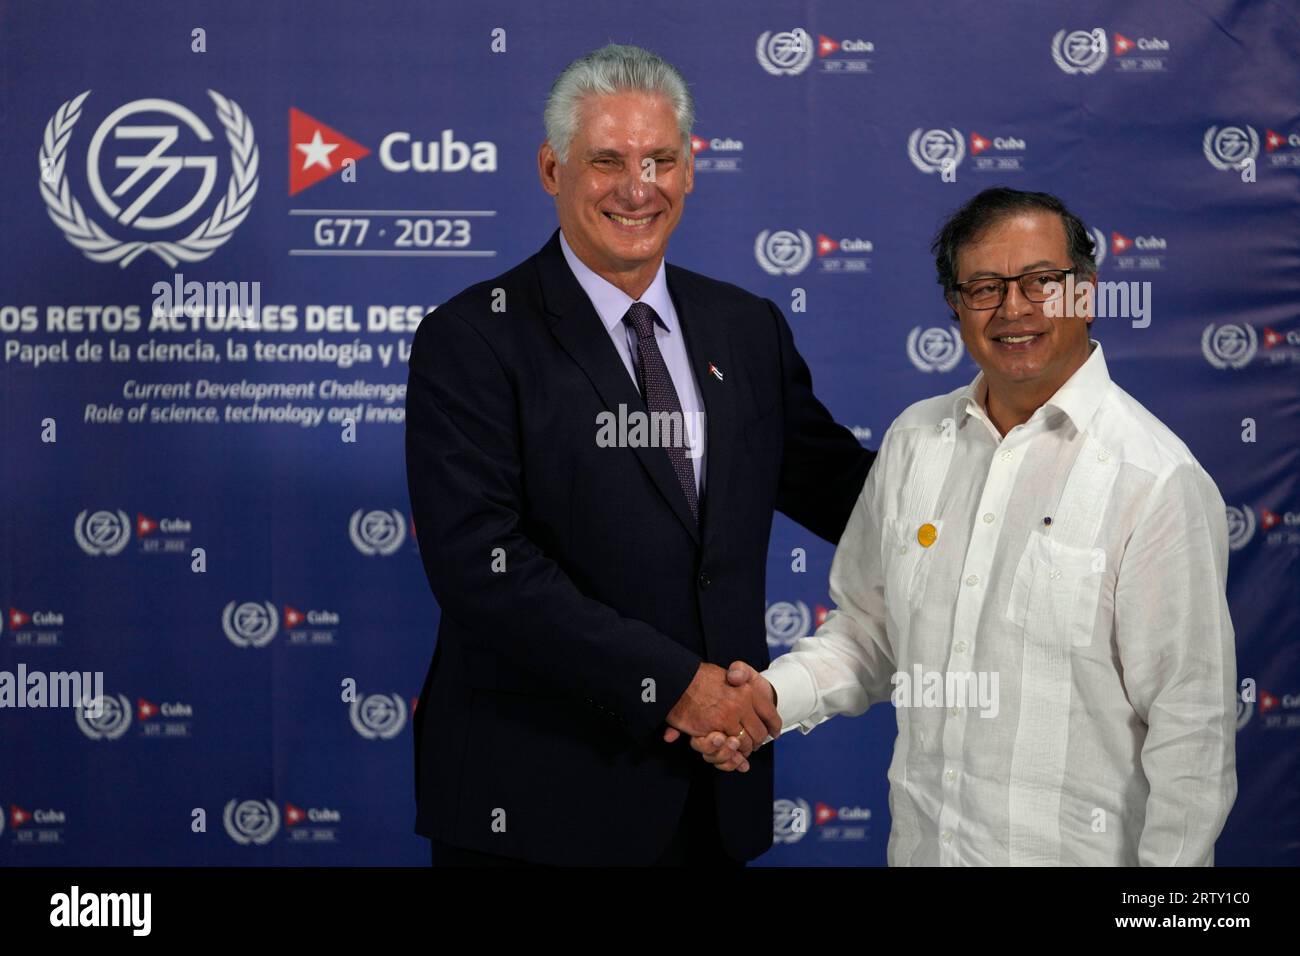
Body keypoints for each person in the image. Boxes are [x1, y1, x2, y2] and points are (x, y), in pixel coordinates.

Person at [404, 43, 874, 866]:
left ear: (690, 170)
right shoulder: (474, 336)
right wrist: (677, 687)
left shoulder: (746, 327)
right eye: (607, 160)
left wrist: (994, 457)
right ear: (552, 168)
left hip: (710, 796)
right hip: (536, 808)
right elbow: (483, 567)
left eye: (660, 159)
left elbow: (845, 491)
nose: (637, 186)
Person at [693, 188, 1237, 866]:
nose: (1013, 308)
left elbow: (1192, 736)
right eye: (984, 287)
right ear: (955, 308)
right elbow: (867, 634)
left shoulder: (1154, 480)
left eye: (1041, 282)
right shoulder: (915, 441)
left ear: (1086, 294)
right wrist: (770, 697)